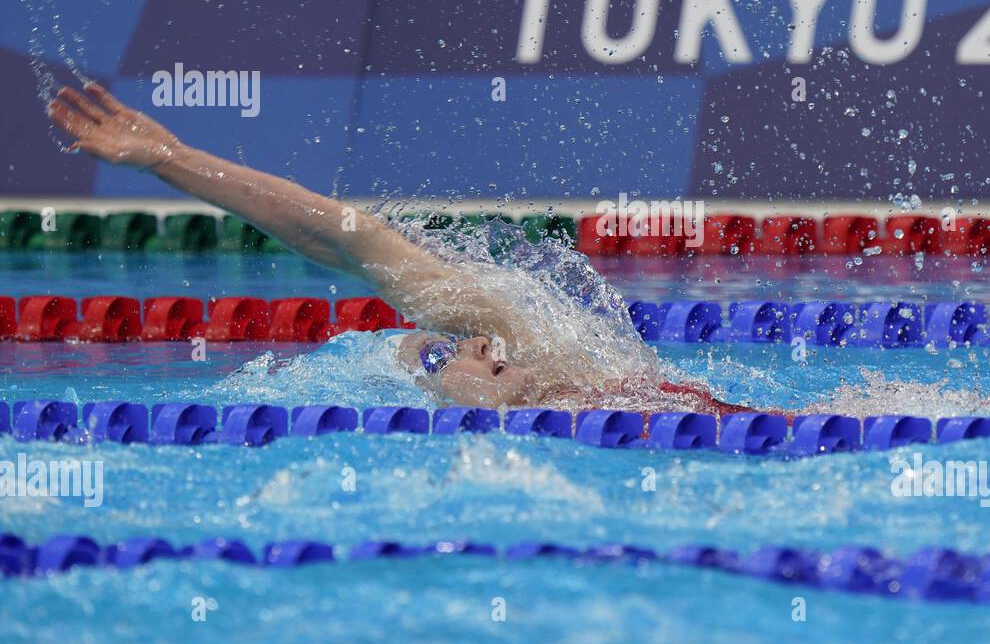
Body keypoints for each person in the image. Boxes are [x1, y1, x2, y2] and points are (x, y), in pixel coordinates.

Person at [47, 81, 756, 417]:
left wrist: (174, 158)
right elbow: (346, 238)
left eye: (463, 353)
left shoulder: (533, 354)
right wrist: (171, 158)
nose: (467, 344)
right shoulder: (512, 349)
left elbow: (349, 238)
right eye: (459, 352)